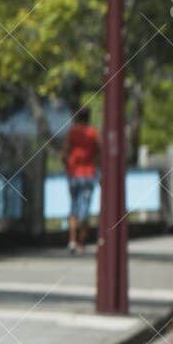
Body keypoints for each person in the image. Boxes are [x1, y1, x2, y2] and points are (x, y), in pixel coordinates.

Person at [63, 108, 100, 254]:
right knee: (85, 209)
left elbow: (65, 152)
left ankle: (71, 241)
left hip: (73, 174)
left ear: (77, 117)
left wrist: (68, 166)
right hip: (89, 174)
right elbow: (101, 151)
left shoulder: (72, 132)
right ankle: (81, 243)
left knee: (73, 207)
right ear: (88, 117)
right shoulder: (94, 133)